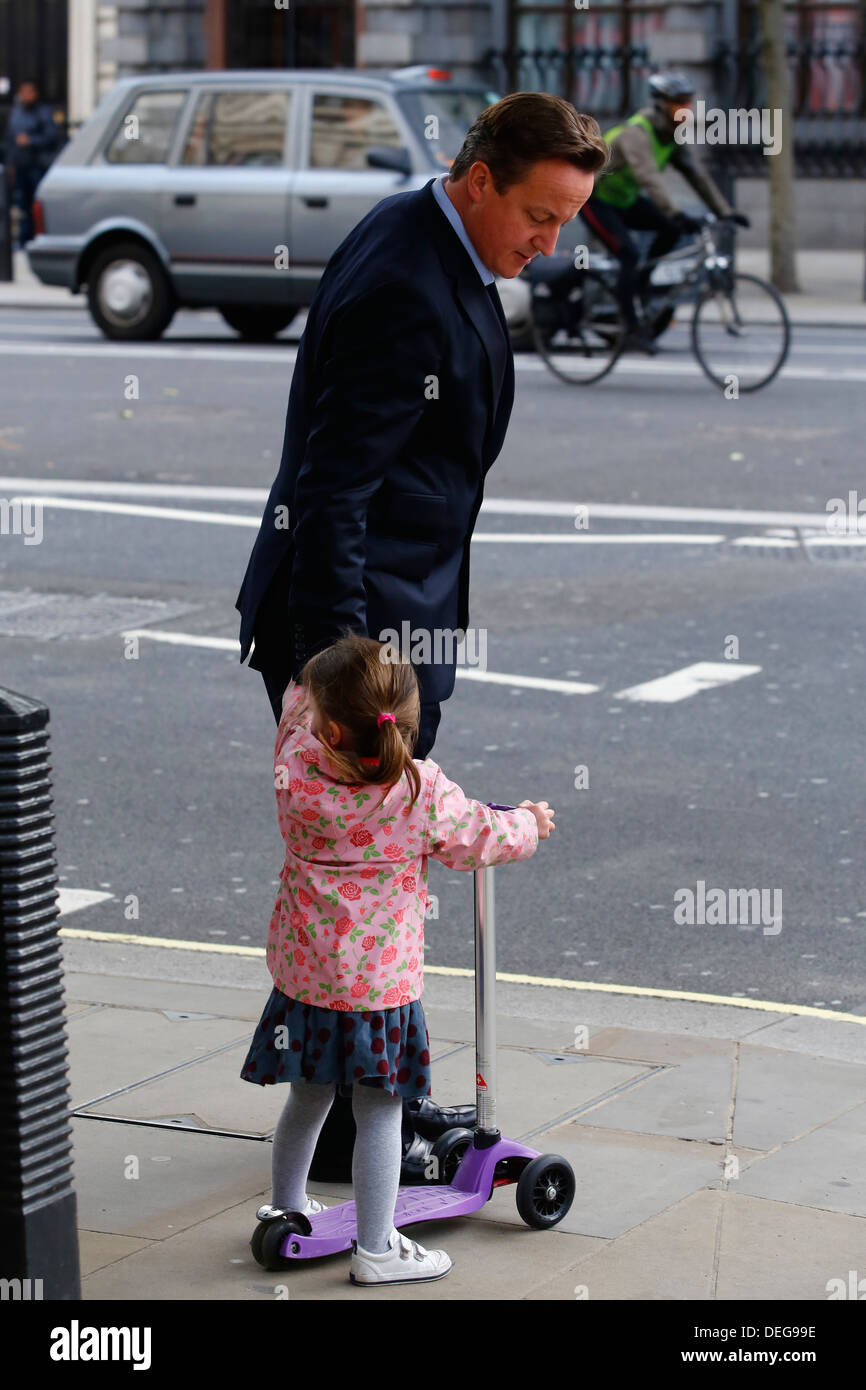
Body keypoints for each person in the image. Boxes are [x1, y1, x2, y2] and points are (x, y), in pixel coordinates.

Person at [235, 91, 607, 1180]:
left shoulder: (425, 230)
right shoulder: (407, 282)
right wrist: (347, 691)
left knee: (350, 885)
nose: (547, 244)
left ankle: (357, 1096)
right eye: (538, 216)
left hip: (387, 625)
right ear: (478, 176)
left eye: (567, 222)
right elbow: (335, 492)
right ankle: (364, 1120)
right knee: (364, 881)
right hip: (355, 645)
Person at [240, 631, 554, 1284]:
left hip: (305, 976)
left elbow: (300, 705)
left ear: (323, 726)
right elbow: (480, 837)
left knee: (309, 1095)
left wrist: (309, 680)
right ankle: (377, 1248)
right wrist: (527, 821)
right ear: (405, 726)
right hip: (379, 989)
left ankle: (286, 1205)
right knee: (380, 1112)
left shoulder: (294, 766)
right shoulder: (417, 791)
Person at [580, 70, 751, 352]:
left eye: (687, 102)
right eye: (678, 103)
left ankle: (643, 281)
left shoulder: (671, 135)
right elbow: (649, 177)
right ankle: (631, 328)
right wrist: (675, 212)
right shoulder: (637, 133)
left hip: (625, 201)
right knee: (629, 254)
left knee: (669, 230)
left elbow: (696, 175)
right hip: (595, 200)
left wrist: (724, 212)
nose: (685, 109)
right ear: (661, 104)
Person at [4, 80, 60, 248]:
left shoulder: (43, 113)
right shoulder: (16, 114)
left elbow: (52, 137)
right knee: (22, 205)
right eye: (24, 92)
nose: (27, 96)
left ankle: (39, 238)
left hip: (38, 166)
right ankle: (23, 239)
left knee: (37, 204)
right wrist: (10, 165)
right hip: (21, 166)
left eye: (30, 92)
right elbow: (10, 141)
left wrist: (31, 141)